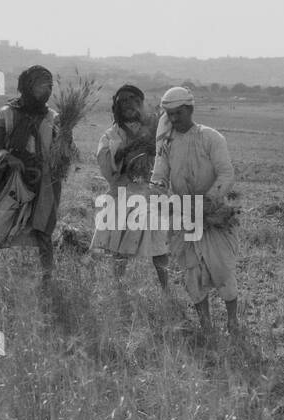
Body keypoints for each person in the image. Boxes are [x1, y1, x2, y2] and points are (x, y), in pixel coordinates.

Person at [150, 86, 240, 335]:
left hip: (213, 215)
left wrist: (207, 202)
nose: (174, 119)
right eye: (170, 114)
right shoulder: (166, 143)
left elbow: (226, 173)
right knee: (193, 273)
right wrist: (157, 193)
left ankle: (233, 323)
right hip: (183, 215)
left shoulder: (211, 138)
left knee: (221, 270)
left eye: (179, 113)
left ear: (190, 109)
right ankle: (206, 325)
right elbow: (159, 175)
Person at [0, 65, 64, 282]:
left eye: (49, 85)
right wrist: (9, 158)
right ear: (28, 86)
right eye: (41, 85)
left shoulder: (54, 118)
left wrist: (66, 142)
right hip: (11, 180)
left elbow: (63, 152)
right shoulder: (7, 113)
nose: (46, 89)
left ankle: (46, 281)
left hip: (44, 183)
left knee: (43, 231)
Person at [90, 84, 171, 294]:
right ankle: (118, 288)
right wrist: (127, 152)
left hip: (151, 192)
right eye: (123, 101)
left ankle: (166, 289)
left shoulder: (156, 129)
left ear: (141, 104)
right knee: (119, 244)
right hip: (124, 193)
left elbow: (166, 157)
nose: (129, 105)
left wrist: (149, 150)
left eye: (134, 100)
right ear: (116, 107)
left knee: (159, 244)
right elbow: (108, 169)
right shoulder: (111, 135)